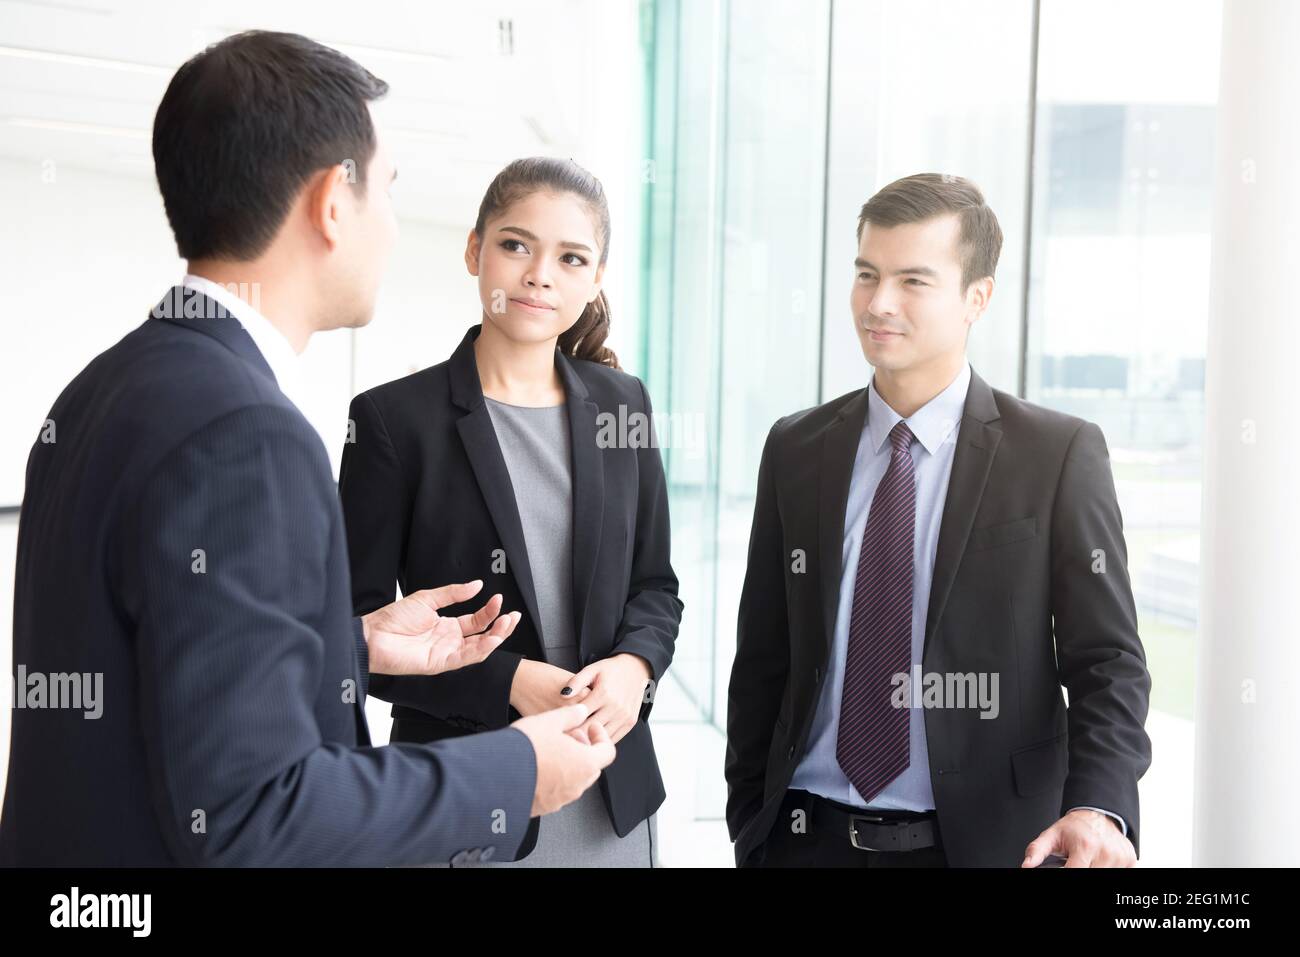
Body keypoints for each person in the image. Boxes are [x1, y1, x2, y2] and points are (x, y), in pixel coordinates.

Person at [0, 31, 612, 868]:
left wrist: (346, 644)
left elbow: (163, 665)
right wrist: (518, 767)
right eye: (387, 193)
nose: (393, 229)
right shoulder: (246, 433)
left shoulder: (106, 386)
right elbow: (254, 813)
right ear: (333, 201)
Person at [725, 173, 1152, 868]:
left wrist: (1097, 806)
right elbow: (764, 654)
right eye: (867, 274)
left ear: (975, 298)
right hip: (805, 840)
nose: (878, 302)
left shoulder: (1056, 454)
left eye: (913, 281)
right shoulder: (795, 448)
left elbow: (1108, 661)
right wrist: (752, 819)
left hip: (985, 846)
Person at [340, 157, 683, 866]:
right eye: (516, 244)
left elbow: (655, 586)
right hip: (468, 791)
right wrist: (508, 682)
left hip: (608, 794)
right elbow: (352, 632)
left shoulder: (625, 405)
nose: (540, 275)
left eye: (571, 257)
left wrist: (633, 668)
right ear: (475, 250)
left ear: (595, 280)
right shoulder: (392, 421)